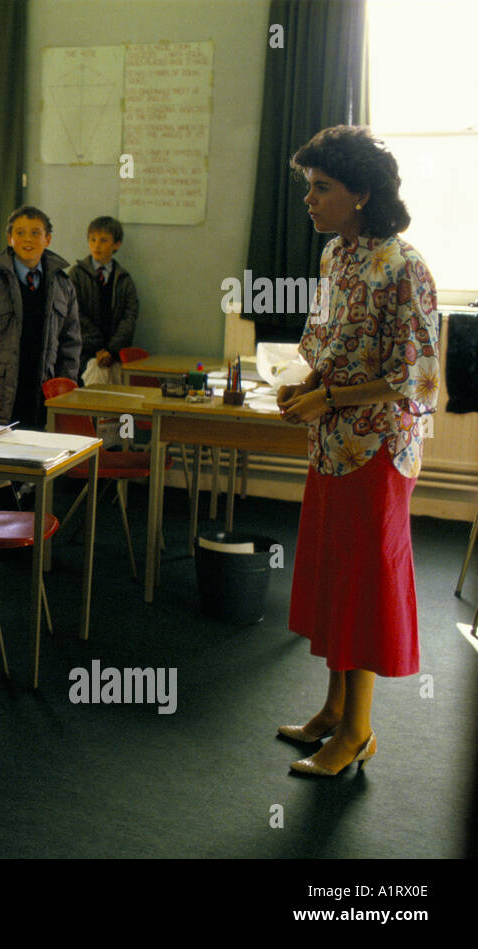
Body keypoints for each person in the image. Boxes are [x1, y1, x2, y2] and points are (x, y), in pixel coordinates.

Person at [276, 126, 439, 777]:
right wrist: (309, 387)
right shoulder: (338, 257)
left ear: (362, 193)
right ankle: (335, 709)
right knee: (334, 573)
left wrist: (331, 399)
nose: (310, 201)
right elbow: (328, 344)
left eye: (322, 188)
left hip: (378, 452)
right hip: (334, 442)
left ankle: (359, 731)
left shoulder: (406, 268)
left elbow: (417, 378)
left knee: (365, 582)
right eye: (308, 188)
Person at [0, 205, 81, 427]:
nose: (28, 239)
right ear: (10, 239)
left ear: (48, 239)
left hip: (44, 391)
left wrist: (64, 389)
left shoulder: (64, 285)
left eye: (36, 232)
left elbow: (70, 343)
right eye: (20, 233)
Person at [69, 215, 138, 375]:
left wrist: (111, 350)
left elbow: (129, 318)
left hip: (114, 353)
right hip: (84, 352)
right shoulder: (76, 275)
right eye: (92, 240)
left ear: (116, 244)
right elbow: (73, 314)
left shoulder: (123, 279)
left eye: (103, 240)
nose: (96, 245)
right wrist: (98, 348)